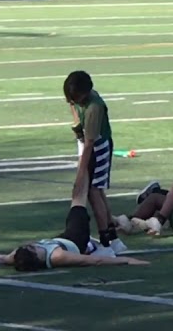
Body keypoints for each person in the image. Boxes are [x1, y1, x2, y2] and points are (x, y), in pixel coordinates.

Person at [0, 174, 148, 272]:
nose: (33, 244)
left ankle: (86, 161)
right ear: (38, 258)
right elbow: (95, 261)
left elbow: (5, 258)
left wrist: (1, 258)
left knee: (81, 193)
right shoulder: (58, 257)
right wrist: (127, 260)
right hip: (76, 238)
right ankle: (85, 157)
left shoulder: (20, 255)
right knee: (78, 194)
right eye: (33, 248)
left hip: (61, 238)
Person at [64, 70, 122, 255]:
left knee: (93, 191)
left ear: (86, 93)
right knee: (95, 191)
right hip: (90, 143)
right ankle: (112, 236)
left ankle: (106, 239)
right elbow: (71, 104)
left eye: (76, 99)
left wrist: (81, 171)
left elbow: (90, 143)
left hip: (99, 147)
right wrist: (76, 123)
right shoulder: (79, 99)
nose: (73, 102)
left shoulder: (94, 108)